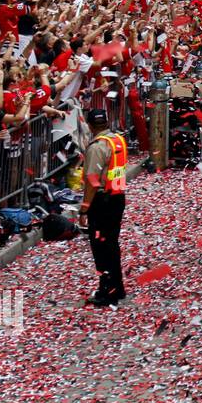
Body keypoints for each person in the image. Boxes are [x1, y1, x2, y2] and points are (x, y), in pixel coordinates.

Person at [79, 108, 128, 306]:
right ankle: (118, 287)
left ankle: (107, 291)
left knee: (101, 248)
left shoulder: (96, 147)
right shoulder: (118, 140)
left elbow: (92, 182)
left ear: (90, 126)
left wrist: (84, 208)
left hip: (102, 202)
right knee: (112, 245)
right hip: (117, 198)